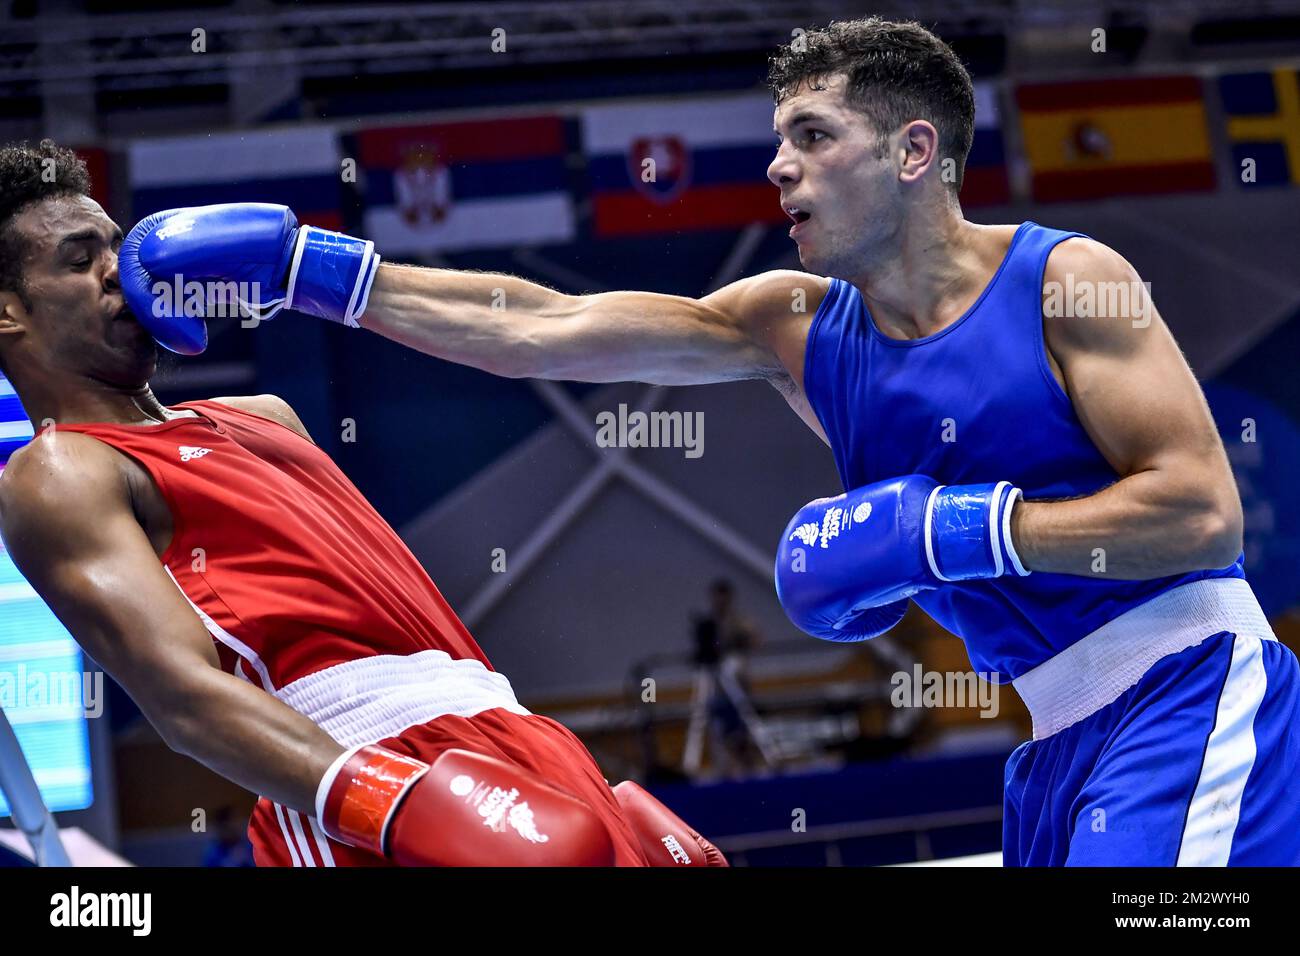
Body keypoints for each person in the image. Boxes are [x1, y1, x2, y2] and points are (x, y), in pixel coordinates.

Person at [121, 17, 1300, 866]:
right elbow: (542, 324)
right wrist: (316, 272)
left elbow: (1201, 515)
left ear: (912, 152)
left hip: (1188, 685)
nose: (777, 163)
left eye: (810, 132)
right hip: (1048, 738)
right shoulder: (792, 322)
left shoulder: (1064, 279)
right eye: (775, 136)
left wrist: (958, 528)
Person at [0, 140, 726, 867]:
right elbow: (184, 701)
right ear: (8, 312)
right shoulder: (61, 470)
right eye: (78, 258)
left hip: (510, 744)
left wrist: (583, 785)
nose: (120, 271)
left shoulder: (265, 415)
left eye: (119, 247)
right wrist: (390, 801)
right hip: (354, 779)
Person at [684, 579, 771, 778]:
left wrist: (736, 641)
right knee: (717, 729)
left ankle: (749, 766)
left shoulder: (739, 621)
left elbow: (757, 641)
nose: (719, 601)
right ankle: (724, 769)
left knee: (742, 729)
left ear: (729, 598)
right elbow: (700, 652)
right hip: (714, 686)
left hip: (737, 685)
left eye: (723, 597)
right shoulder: (707, 622)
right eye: (716, 597)